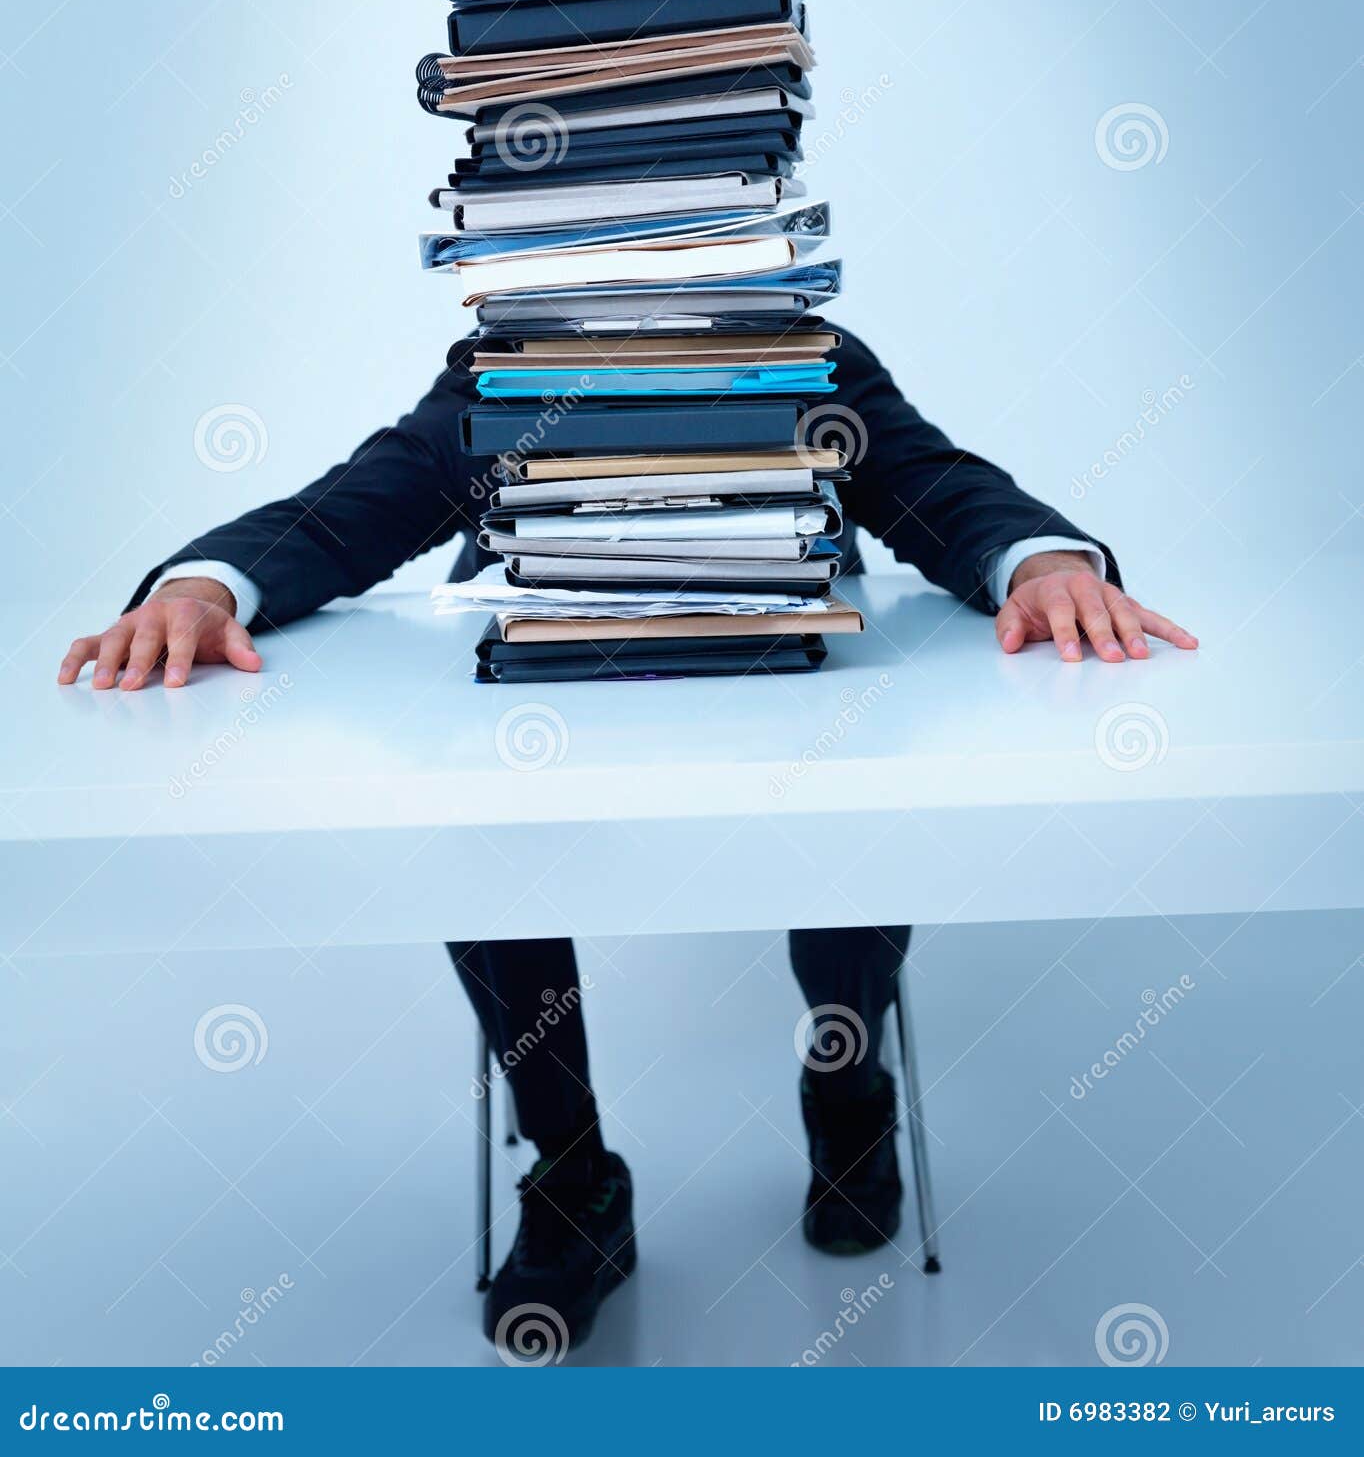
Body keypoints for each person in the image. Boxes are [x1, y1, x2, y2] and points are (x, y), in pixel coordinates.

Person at [56, 327, 1196, 1353]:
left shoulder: (810, 359)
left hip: (786, 684)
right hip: (542, 694)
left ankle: (846, 1084)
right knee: (476, 820)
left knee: (863, 782)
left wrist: (1046, 565)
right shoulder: (500, 377)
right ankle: (572, 1175)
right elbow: (350, 510)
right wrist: (206, 588)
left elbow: (944, 493)